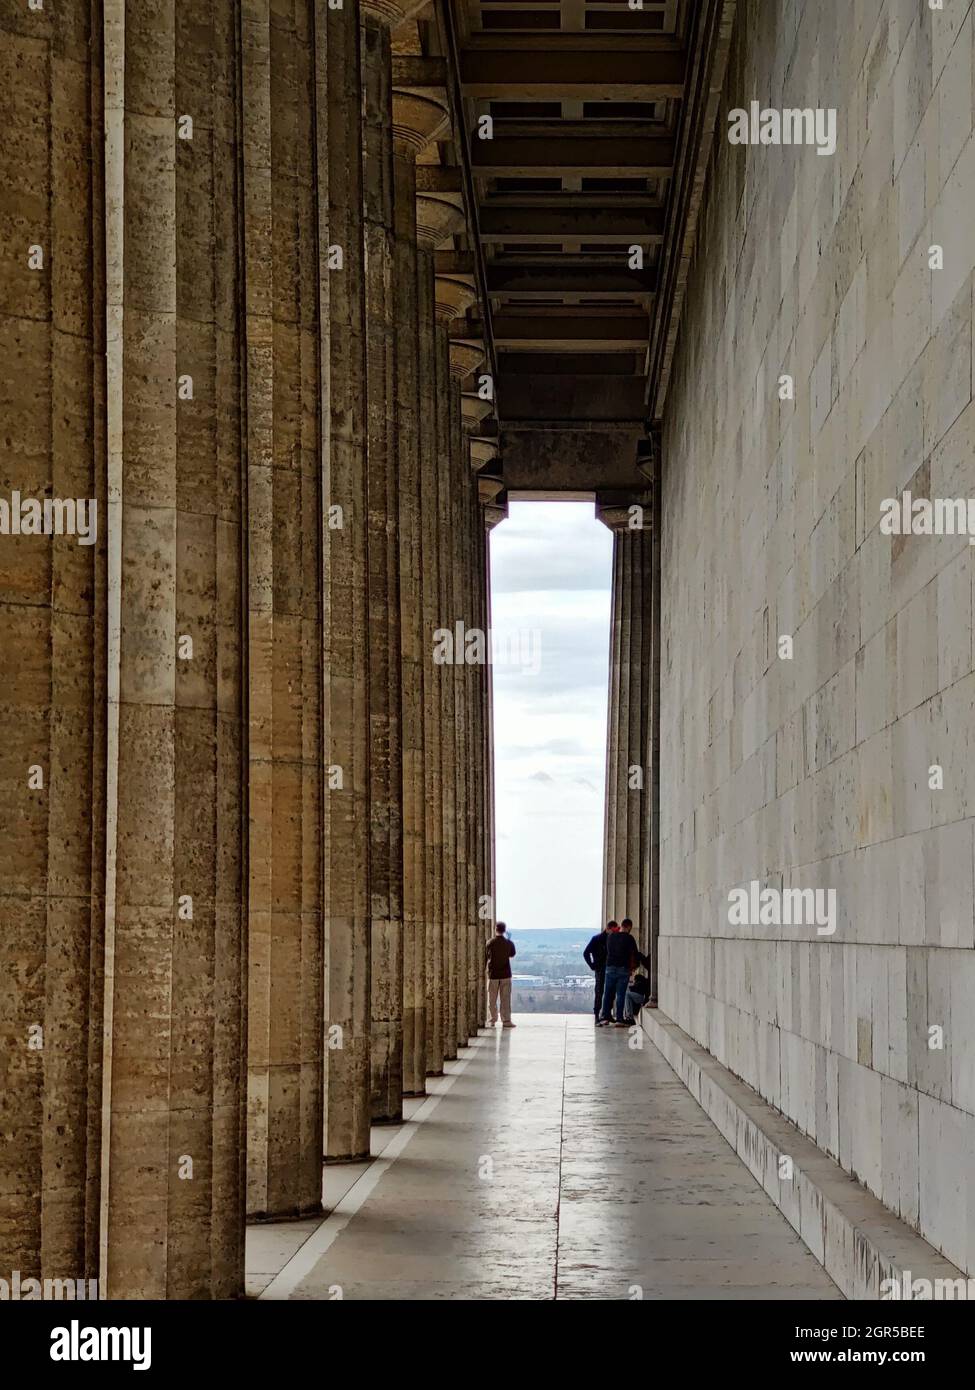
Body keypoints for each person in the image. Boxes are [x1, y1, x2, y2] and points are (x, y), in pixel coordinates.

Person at [598, 918, 646, 1027]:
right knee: (621, 994)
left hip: (610, 967)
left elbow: (607, 951)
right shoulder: (629, 938)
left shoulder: (611, 936)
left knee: (607, 993)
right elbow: (635, 953)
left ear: (621, 925)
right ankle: (619, 1019)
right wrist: (634, 966)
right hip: (623, 969)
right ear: (629, 927)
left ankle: (605, 1017)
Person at [583, 920, 617, 1022]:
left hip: (610, 968)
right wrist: (592, 965)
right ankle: (597, 1015)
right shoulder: (596, 939)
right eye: (613, 930)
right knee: (599, 991)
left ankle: (607, 1014)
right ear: (608, 929)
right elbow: (586, 953)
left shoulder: (612, 939)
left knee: (611, 992)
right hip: (601, 969)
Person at [485, 921, 516, 1027]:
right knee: (505, 999)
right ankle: (506, 1020)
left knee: (492, 999)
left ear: (495, 929)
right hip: (506, 974)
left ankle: (492, 1019)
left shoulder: (490, 943)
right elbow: (512, 954)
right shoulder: (509, 943)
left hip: (493, 974)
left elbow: (486, 956)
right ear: (504, 930)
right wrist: (509, 940)